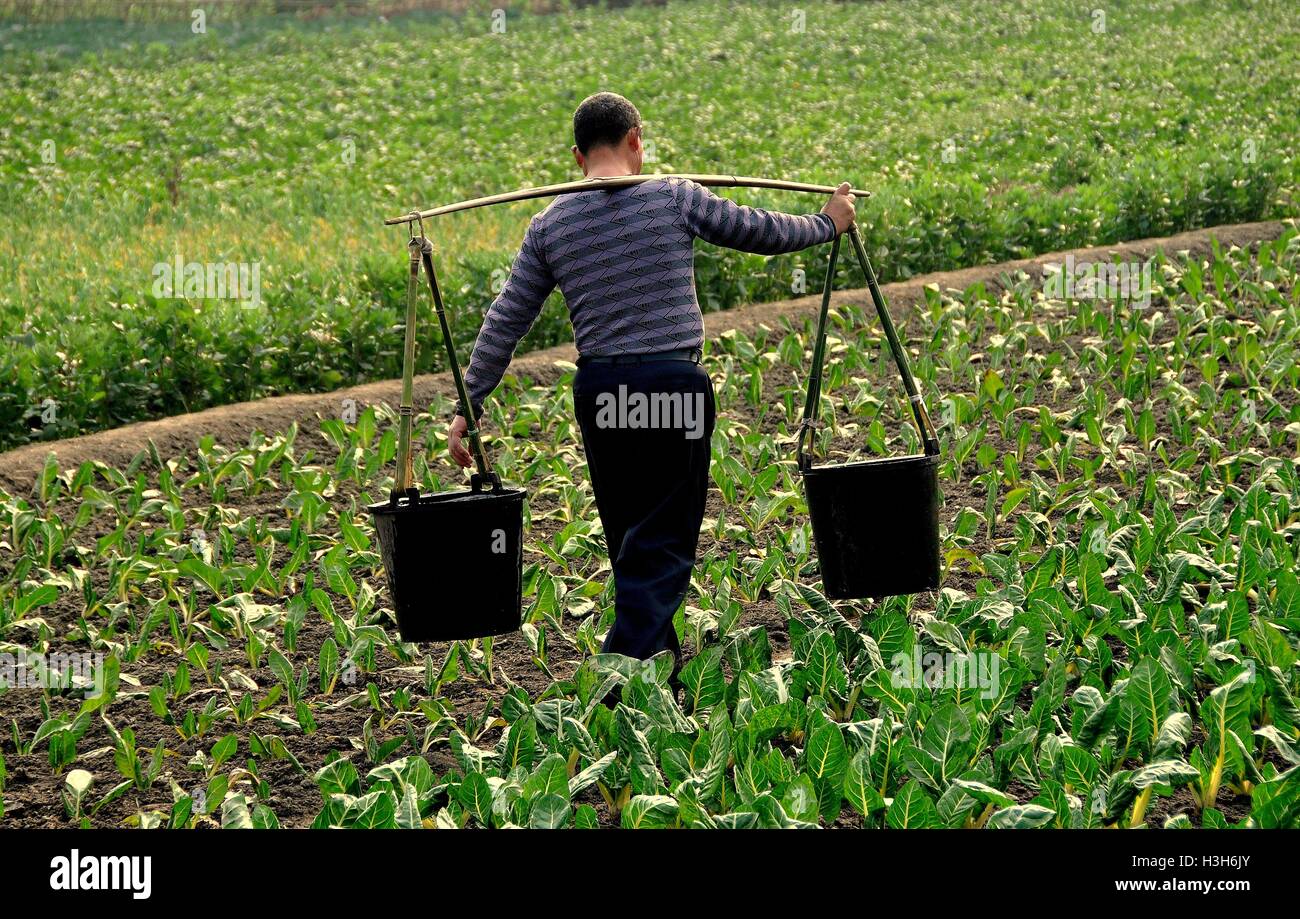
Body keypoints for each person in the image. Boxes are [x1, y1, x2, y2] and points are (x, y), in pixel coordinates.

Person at [448, 91, 856, 682]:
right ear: (636, 141)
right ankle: (619, 676)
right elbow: (760, 231)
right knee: (661, 542)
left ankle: (657, 682)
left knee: (632, 541)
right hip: (670, 389)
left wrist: (469, 403)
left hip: (604, 395)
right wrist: (826, 223)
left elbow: (506, 318)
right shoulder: (673, 196)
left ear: (577, 156)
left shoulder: (551, 225)